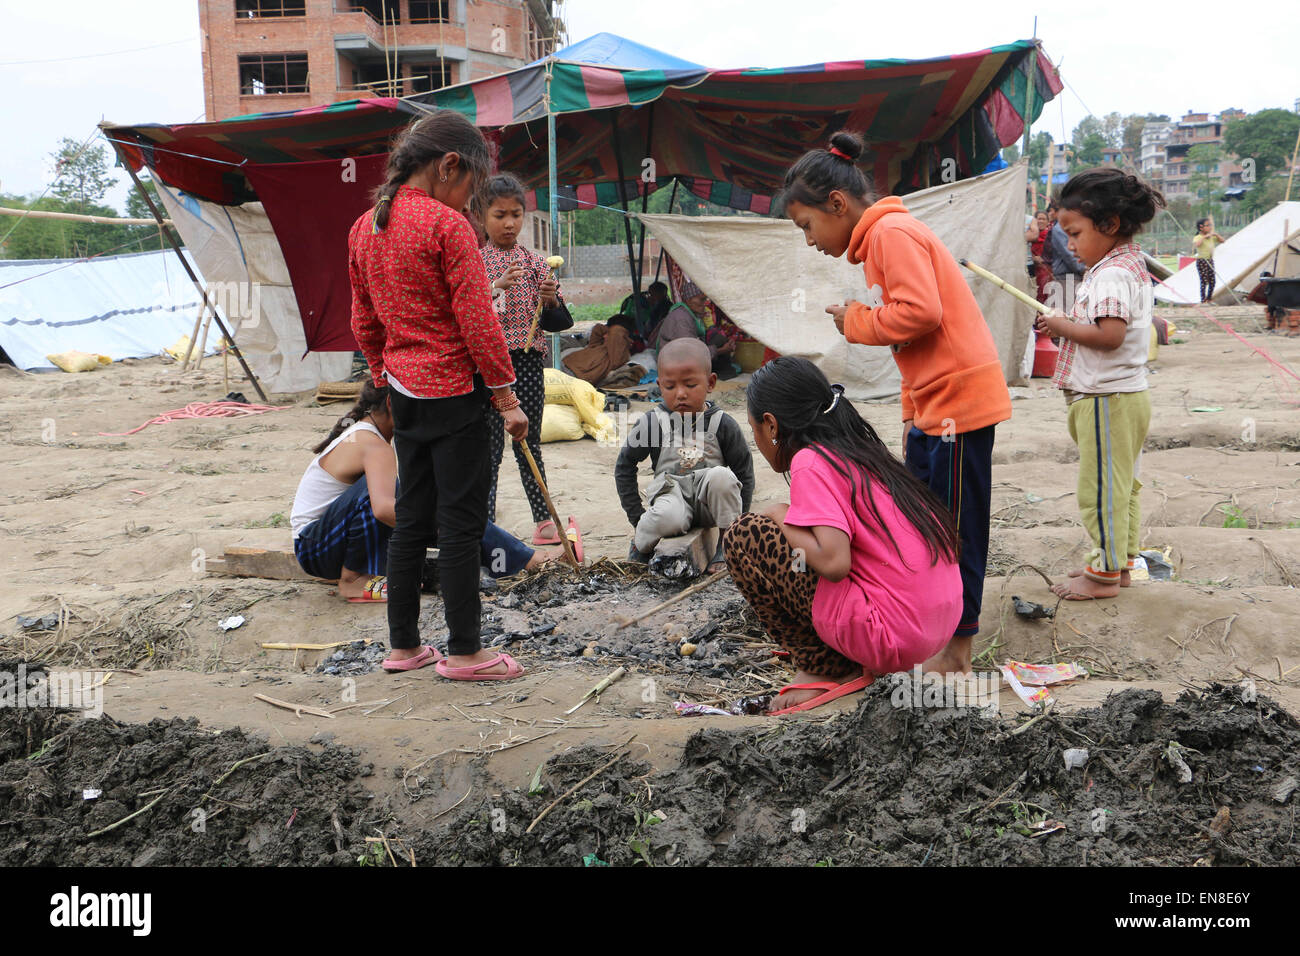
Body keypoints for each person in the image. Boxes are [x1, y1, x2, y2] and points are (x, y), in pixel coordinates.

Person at [781, 130, 1011, 676]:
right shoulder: (883, 236)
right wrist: (911, 417)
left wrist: (857, 320)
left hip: (959, 403)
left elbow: (922, 313)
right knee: (928, 519)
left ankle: (957, 647)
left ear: (836, 204)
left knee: (954, 525)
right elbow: (920, 342)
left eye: (807, 226)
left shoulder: (889, 233)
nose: (809, 240)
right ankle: (933, 629)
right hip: (936, 405)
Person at [348, 110, 525, 681]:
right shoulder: (445, 228)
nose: (471, 198)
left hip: (404, 394)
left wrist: (385, 372)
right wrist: (506, 397)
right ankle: (467, 653)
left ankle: (404, 647)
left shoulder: (362, 229)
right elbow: (478, 323)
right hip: (454, 395)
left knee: (413, 518)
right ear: (449, 165)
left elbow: (364, 320)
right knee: (460, 524)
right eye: (471, 184)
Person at [725, 357, 962, 715]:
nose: (757, 439)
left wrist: (780, 515)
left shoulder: (810, 460)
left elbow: (835, 562)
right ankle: (844, 654)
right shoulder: (859, 451)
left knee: (746, 535)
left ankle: (827, 668)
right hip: (936, 625)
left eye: (754, 428)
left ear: (771, 425)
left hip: (894, 637)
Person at [290, 379, 564, 632]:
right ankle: (352, 580)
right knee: (411, 502)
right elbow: (383, 510)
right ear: (391, 403)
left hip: (325, 544)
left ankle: (522, 558)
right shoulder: (371, 444)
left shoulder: (369, 435)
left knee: (440, 508)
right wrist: (441, 524)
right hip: (314, 548)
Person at [1035, 168, 1163, 600]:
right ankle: (1120, 562)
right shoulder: (1127, 265)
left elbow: (1109, 337)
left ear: (1108, 225)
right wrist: (1065, 325)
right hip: (1126, 396)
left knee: (1101, 489)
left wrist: (1062, 325)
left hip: (1106, 399)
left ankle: (1103, 575)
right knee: (1123, 485)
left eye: (1074, 233)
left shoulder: (1110, 275)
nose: (1069, 244)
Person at [477, 172, 575, 547]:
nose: (509, 223)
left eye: (516, 214)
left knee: (528, 443)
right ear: (482, 217)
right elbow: (467, 314)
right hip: (487, 369)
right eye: (500, 214)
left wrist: (550, 300)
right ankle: (484, 523)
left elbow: (559, 323)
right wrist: (495, 287)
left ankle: (543, 520)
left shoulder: (537, 265)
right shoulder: (473, 264)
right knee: (488, 450)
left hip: (528, 365)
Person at [615, 338, 754, 574]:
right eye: (670, 387)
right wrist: (638, 519)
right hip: (672, 498)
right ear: (659, 385)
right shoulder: (653, 423)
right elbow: (625, 466)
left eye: (690, 385)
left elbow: (744, 474)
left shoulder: (722, 424)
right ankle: (641, 544)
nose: (680, 394)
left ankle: (726, 544)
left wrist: (737, 524)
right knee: (666, 518)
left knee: (722, 477)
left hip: (709, 504)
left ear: (710, 383)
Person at [647, 279, 739, 377]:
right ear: (688, 300)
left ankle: (721, 372)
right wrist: (721, 350)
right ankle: (721, 374)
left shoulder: (691, 314)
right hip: (674, 361)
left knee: (719, 339)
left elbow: (698, 342)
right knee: (717, 349)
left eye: (705, 300)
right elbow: (690, 352)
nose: (705, 303)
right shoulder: (681, 318)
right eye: (701, 300)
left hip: (685, 353)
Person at [562, 313, 634, 386]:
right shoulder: (599, 346)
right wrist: (608, 329)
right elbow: (598, 328)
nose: (605, 336)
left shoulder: (619, 355)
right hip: (564, 366)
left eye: (610, 334)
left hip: (573, 375)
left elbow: (617, 331)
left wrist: (616, 331)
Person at [1045, 200, 1086, 312]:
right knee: (1065, 315)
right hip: (1067, 278)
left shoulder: (1064, 228)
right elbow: (1071, 257)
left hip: (1072, 277)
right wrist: (1085, 269)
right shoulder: (1059, 229)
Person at [1192, 217, 1226, 304]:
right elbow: (1197, 244)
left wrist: (1216, 235)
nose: (1210, 227)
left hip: (1210, 260)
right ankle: (1203, 299)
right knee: (1204, 281)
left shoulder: (1211, 237)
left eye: (1210, 225)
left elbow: (1223, 241)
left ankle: (1209, 298)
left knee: (1212, 280)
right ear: (1201, 227)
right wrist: (1204, 237)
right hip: (1202, 261)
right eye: (1207, 225)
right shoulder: (1198, 237)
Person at [1025, 209, 1053, 303]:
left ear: (1048, 222)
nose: (1040, 221)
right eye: (1038, 218)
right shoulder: (1029, 235)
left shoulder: (1051, 236)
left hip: (1046, 271)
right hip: (1032, 270)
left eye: (1043, 219)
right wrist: (1033, 258)